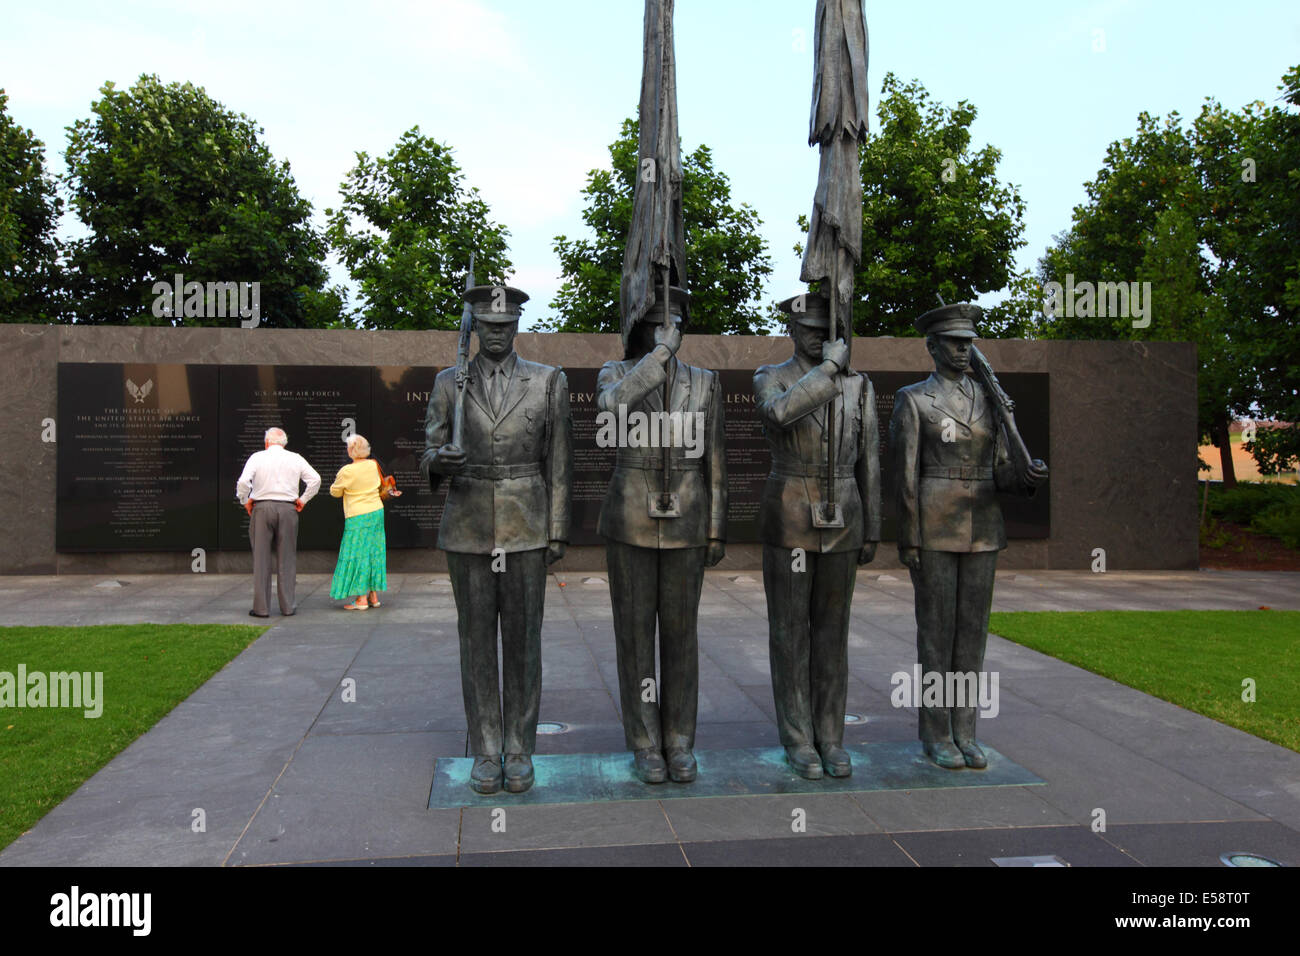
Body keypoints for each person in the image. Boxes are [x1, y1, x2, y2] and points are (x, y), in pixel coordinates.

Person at [420, 284, 572, 796]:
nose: (497, 335)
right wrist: (439, 461)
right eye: (488, 326)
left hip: (526, 524)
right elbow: (429, 452)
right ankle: (486, 748)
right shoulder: (449, 382)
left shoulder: (549, 382)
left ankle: (520, 747)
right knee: (477, 644)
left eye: (506, 327)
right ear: (475, 326)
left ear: (517, 326)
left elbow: (560, 463)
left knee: (524, 643)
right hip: (467, 525)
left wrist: (556, 529)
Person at [890, 303, 1048, 769]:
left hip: (983, 527)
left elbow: (1000, 469)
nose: (964, 350)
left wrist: (1026, 476)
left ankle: (965, 730)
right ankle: (937, 733)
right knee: (936, 636)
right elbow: (904, 478)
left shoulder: (991, 400)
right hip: (935, 525)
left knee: (971, 637)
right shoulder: (914, 399)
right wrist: (910, 538)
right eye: (955, 343)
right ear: (933, 346)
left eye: (969, 342)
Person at [597, 285, 726, 785]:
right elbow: (612, 407)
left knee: (680, 636)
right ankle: (645, 741)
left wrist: (716, 527)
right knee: (634, 639)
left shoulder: (706, 381)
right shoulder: (617, 372)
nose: (661, 329)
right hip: (631, 517)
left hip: (689, 517)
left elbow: (716, 458)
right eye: (651, 323)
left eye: (669, 323)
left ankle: (679, 739)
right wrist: (660, 355)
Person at [753, 292, 881, 780]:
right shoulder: (772, 376)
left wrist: (870, 524)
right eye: (807, 327)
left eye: (824, 327)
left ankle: (831, 735)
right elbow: (779, 414)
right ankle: (798, 737)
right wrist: (827, 371)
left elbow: (869, 456)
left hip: (843, 514)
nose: (816, 335)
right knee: (790, 634)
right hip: (791, 514)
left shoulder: (860, 386)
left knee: (833, 634)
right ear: (791, 329)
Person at [235, 426, 321, 617]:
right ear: (284, 444)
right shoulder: (295, 458)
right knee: (287, 558)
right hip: (288, 508)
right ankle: (288, 607)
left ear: (267, 443)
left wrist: (244, 500)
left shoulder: (257, 457)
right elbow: (315, 480)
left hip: (262, 507)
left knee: (261, 559)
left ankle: (261, 608)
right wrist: (303, 499)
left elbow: (243, 483)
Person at [329, 434, 400, 610]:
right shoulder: (373, 465)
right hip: (376, 512)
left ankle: (361, 599)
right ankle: (373, 596)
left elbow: (335, 492)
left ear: (351, 450)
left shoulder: (347, 471)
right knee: (374, 551)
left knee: (357, 553)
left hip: (357, 515)